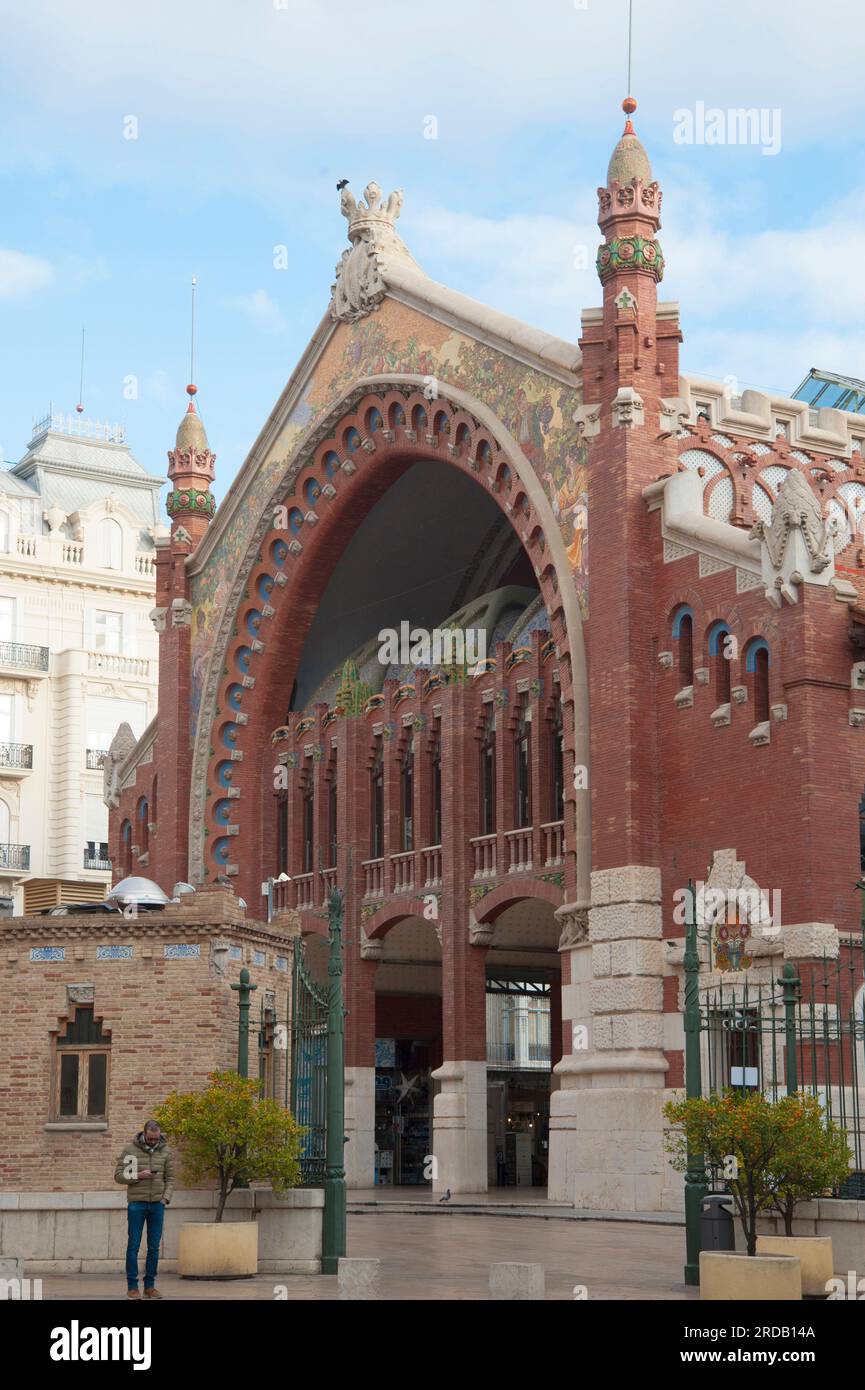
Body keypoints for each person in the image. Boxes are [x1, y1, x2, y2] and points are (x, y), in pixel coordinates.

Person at [114, 1119, 174, 1299]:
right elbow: (118, 1176)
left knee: (154, 1248)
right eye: (150, 1139)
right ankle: (132, 1287)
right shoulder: (130, 1150)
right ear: (144, 1134)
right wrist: (138, 1175)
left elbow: (170, 1178)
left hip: (157, 1205)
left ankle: (150, 1286)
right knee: (133, 1246)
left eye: (156, 1139)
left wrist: (165, 1198)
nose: (154, 1142)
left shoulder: (165, 1151)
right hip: (136, 1204)